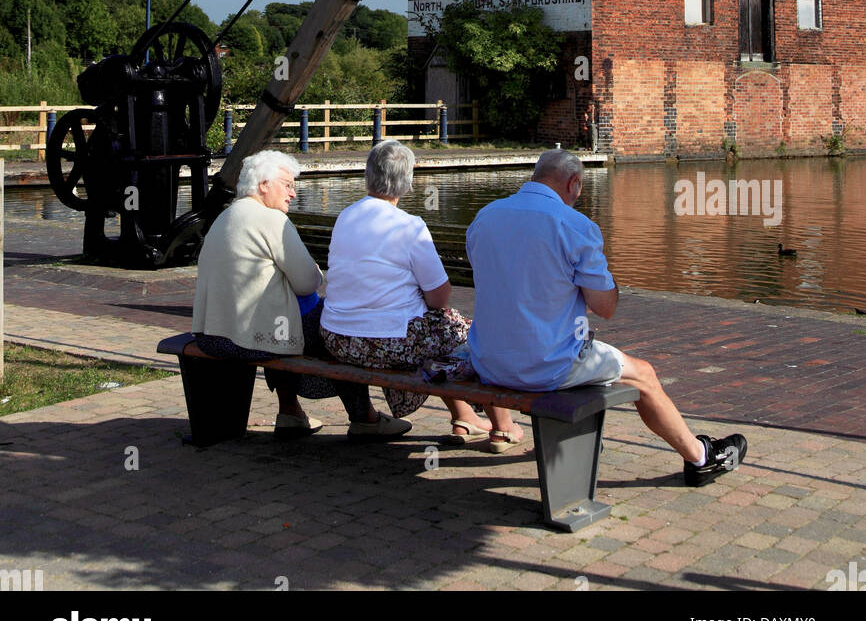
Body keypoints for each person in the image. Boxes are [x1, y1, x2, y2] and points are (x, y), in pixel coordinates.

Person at [466, 149, 747, 480]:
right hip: (544, 365)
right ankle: (701, 458)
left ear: (535, 176)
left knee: (578, 350)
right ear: (575, 184)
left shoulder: (485, 216)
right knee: (644, 375)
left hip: (487, 360)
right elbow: (605, 307)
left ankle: (580, 443)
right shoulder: (574, 225)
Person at [192, 149, 410, 439]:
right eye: (287, 185)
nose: (293, 194)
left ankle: (290, 411)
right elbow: (308, 282)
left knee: (284, 314)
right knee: (340, 323)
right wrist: (317, 272)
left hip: (211, 337)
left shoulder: (225, 217)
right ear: (263, 185)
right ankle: (364, 418)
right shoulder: (271, 220)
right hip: (245, 340)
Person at [321, 140, 520, 445]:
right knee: (473, 335)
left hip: (338, 339)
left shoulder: (346, 216)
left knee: (434, 332)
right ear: (408, 181)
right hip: (386, 342)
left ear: (368, 174)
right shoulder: (409, 226)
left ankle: (465, 419)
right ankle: (503, 427)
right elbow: (439, 298)